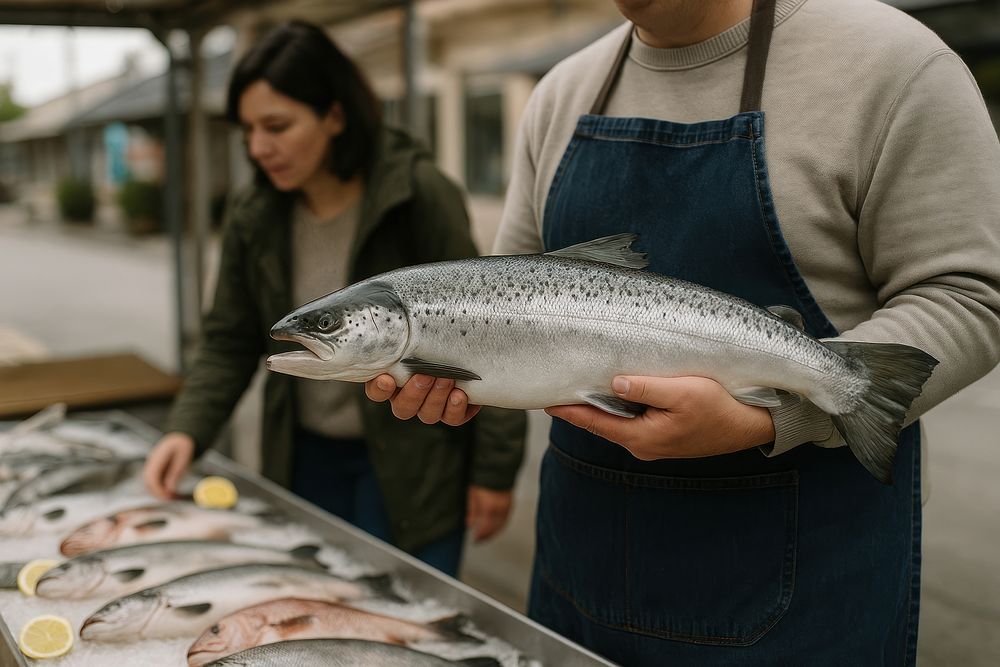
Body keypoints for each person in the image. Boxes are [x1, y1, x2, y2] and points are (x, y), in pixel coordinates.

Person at [365, 0, 1000, 663]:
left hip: (806, 591)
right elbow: (505, 293)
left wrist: (775, 417)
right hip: (581, 577)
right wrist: (459, 378)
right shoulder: (562, 93)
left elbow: (970, 294)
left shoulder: (896, 65)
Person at [142, 20, 525, 578]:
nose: (257, 147)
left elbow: (494, 330)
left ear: (335, 115)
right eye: (247, 129)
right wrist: (186, 429)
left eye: (277, 125)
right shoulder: (255, 214)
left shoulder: (415, 194)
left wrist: (494, 471)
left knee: (404, 627)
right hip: (303, 455)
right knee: (317, 606)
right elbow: (228, 340)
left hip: (412, 461)